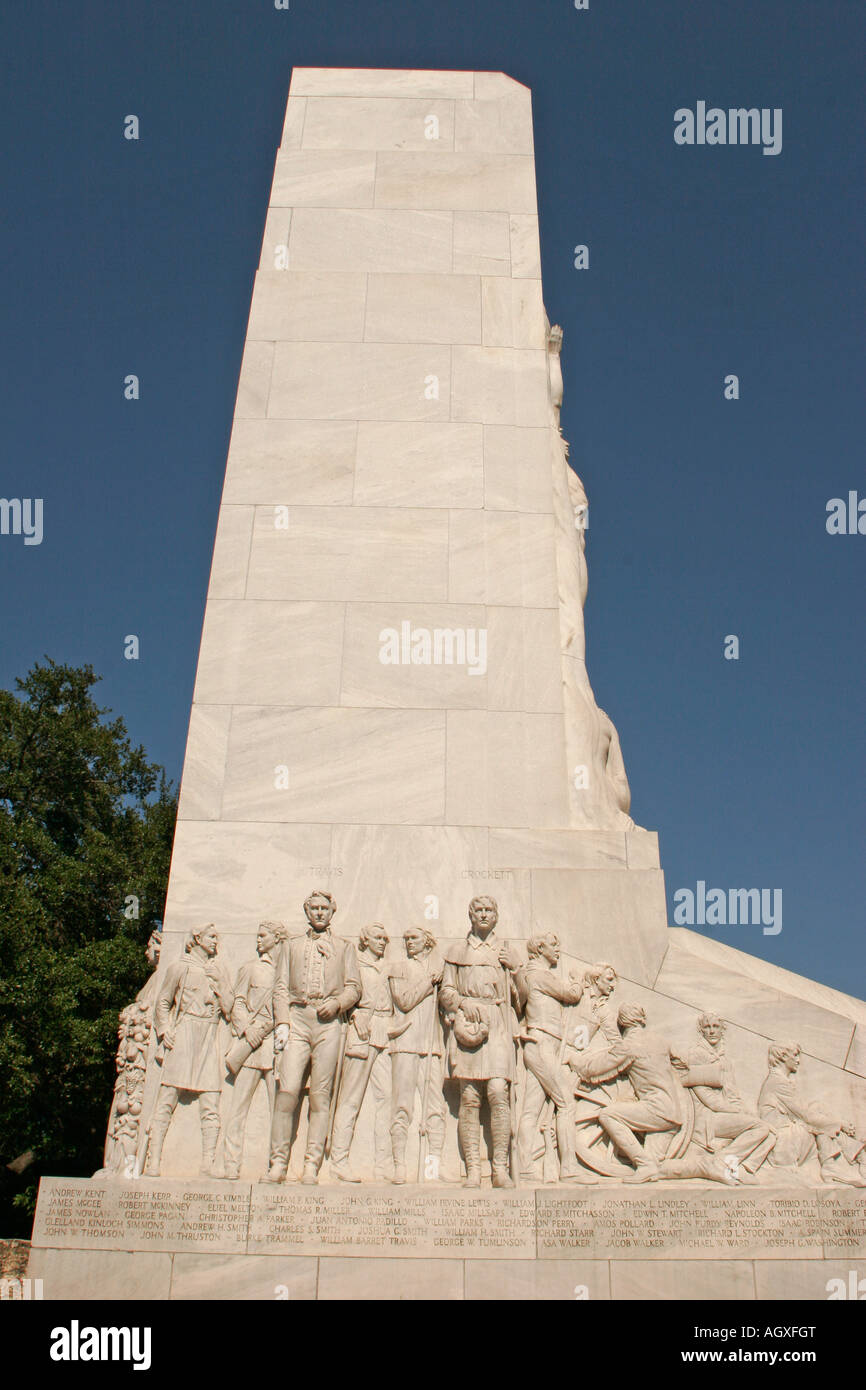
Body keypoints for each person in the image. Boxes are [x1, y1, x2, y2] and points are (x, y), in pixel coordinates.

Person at [264, 892, 361, 1186]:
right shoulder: (290, 946)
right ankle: (278, 1163)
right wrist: (282, 1022)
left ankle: (311, 1165)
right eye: (314, 908)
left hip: (328, 1022)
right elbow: (280, 987)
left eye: (324, 908)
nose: (319, 913)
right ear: (306, 910)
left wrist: (338, 1004)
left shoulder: (344, 947)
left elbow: (354, 987)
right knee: (288, 1091)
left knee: (321, 1096)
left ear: (332, 912)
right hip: (297, 1018)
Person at [439, 897, 522, 1188]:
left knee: (499, 1091)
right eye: (478, 911)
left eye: (489, 911)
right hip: (469, 1023)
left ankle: (500, 1167)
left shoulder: (506, 951)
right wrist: (462, 1003)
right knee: (470, 1096)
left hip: (498, 1022)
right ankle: (473, 1167)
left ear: (496, 916)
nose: (484, 915)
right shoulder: (457, 951)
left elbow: (521, 999)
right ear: (471, 916)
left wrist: (517, 970)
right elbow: (446, 991)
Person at [145, 924, 234, 1177]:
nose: (216, 941)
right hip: (185, 1031)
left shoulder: (218, 970)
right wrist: (164, 1030)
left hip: (209, 1034)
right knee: (166, 1099)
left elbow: (229, 1008)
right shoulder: (180, 967)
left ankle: (207, 1163)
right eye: (212, 936)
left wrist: (220, 985)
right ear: (197, 938)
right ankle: (153, 1161)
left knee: (211, 1101)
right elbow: (163, 1001)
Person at [572, 1003, 687, 1182]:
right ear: (642, 1019)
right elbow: (682, 1064)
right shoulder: (661, 1041)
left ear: (622, 1023)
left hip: (655, 1110)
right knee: (657, 1171)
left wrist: (576, 1062)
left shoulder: (629, 1046)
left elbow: (595, 1068)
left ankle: (644, 1164)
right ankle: (707, 1167)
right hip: (673, 1116)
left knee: (608, 1115)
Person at [515, 932, 584, 1183]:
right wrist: (578, 980)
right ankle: (569, 1167)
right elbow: (571, 994)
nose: (558, 949)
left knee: (531, 1109)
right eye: (554, 945)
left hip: (540, 1044)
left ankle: (524, 1165)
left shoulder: (531, 973)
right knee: (566, 1102)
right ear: (540, 947)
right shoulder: (538, 973)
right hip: (543, 1043)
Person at [330, 923, 393, 1183]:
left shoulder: (388, 967)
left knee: (386, 1098)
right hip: (360, 1028)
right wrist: (355, 1014)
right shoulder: (354, 961)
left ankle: (382, 1164)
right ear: (365, 940)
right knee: (350, 1098)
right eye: (378, 937)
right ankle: (339, 1160)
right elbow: (341, 993)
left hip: (384, 1030)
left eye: (385, 938)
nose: (383, 942)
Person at [222, 921, 284, 1180]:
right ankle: (230, 1165)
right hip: (251, 1047)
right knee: (238, 1109)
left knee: (278, 1112)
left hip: (276, 1048)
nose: (258, 940)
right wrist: (247, 1029)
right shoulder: (250, 969)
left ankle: (275, 1166)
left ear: (276, 938)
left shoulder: (287, 972)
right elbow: (238, 1003)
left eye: (263, 935)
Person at [759, 1041, 865, 1186]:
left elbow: (805, 1112)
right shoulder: (778, 1082)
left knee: (817, 1108)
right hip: (783, 1141)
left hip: (790, 1134)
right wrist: (841, 1124)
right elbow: (807, 1116)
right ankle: (848, 1159)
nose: (799, 1060)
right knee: (817, 1122)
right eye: (795, 1055)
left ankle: (837, 1163)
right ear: (783, 1056)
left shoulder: (781, 1080)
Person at [388, 927, 445, 1184]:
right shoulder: (399, 967)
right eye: (407, 938)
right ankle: (400, 1165)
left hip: (431, 1044)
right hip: (406, 1043)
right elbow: (404, 1000)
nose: (409, 942)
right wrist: (428, 982)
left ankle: (433, 1165)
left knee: (435, 1108)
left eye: (414, 938)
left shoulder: (439, 971)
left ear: (427, 942)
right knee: (402, 1106)